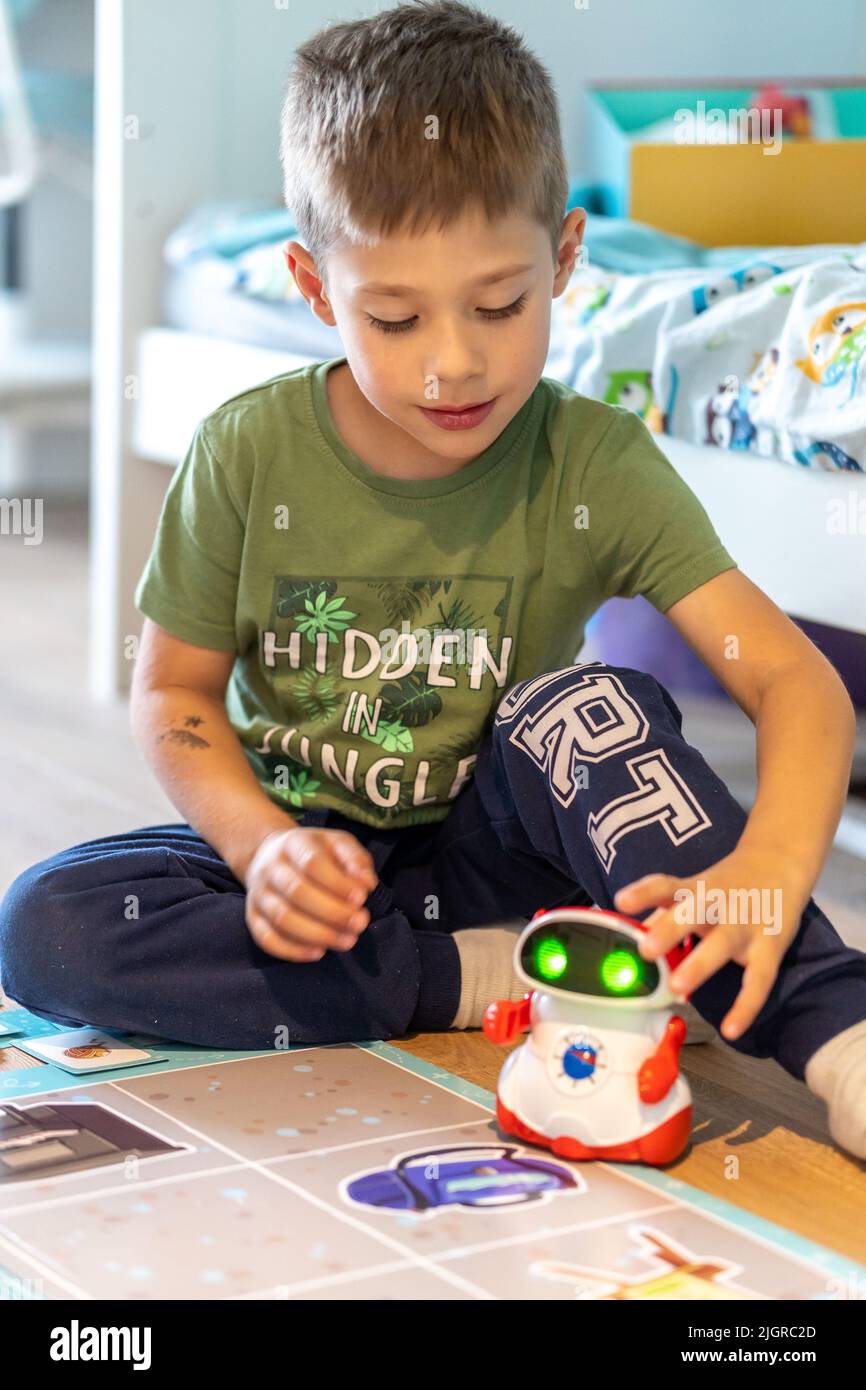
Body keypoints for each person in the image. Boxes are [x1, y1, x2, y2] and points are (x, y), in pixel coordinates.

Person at [1, 1, 864, 1160]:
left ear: (565, 255)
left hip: (499, 841)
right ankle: (481, 974)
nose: (453, 362)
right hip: (315, 864)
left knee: (580, 706)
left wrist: (763, 867)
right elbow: (175, 698)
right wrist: (263, 849)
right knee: (47, 925)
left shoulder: (595, 460)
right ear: (315, 289)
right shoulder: (245, 452)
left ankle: (837, 1032)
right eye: (394, 317)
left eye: (500, 306)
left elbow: (795, 686)